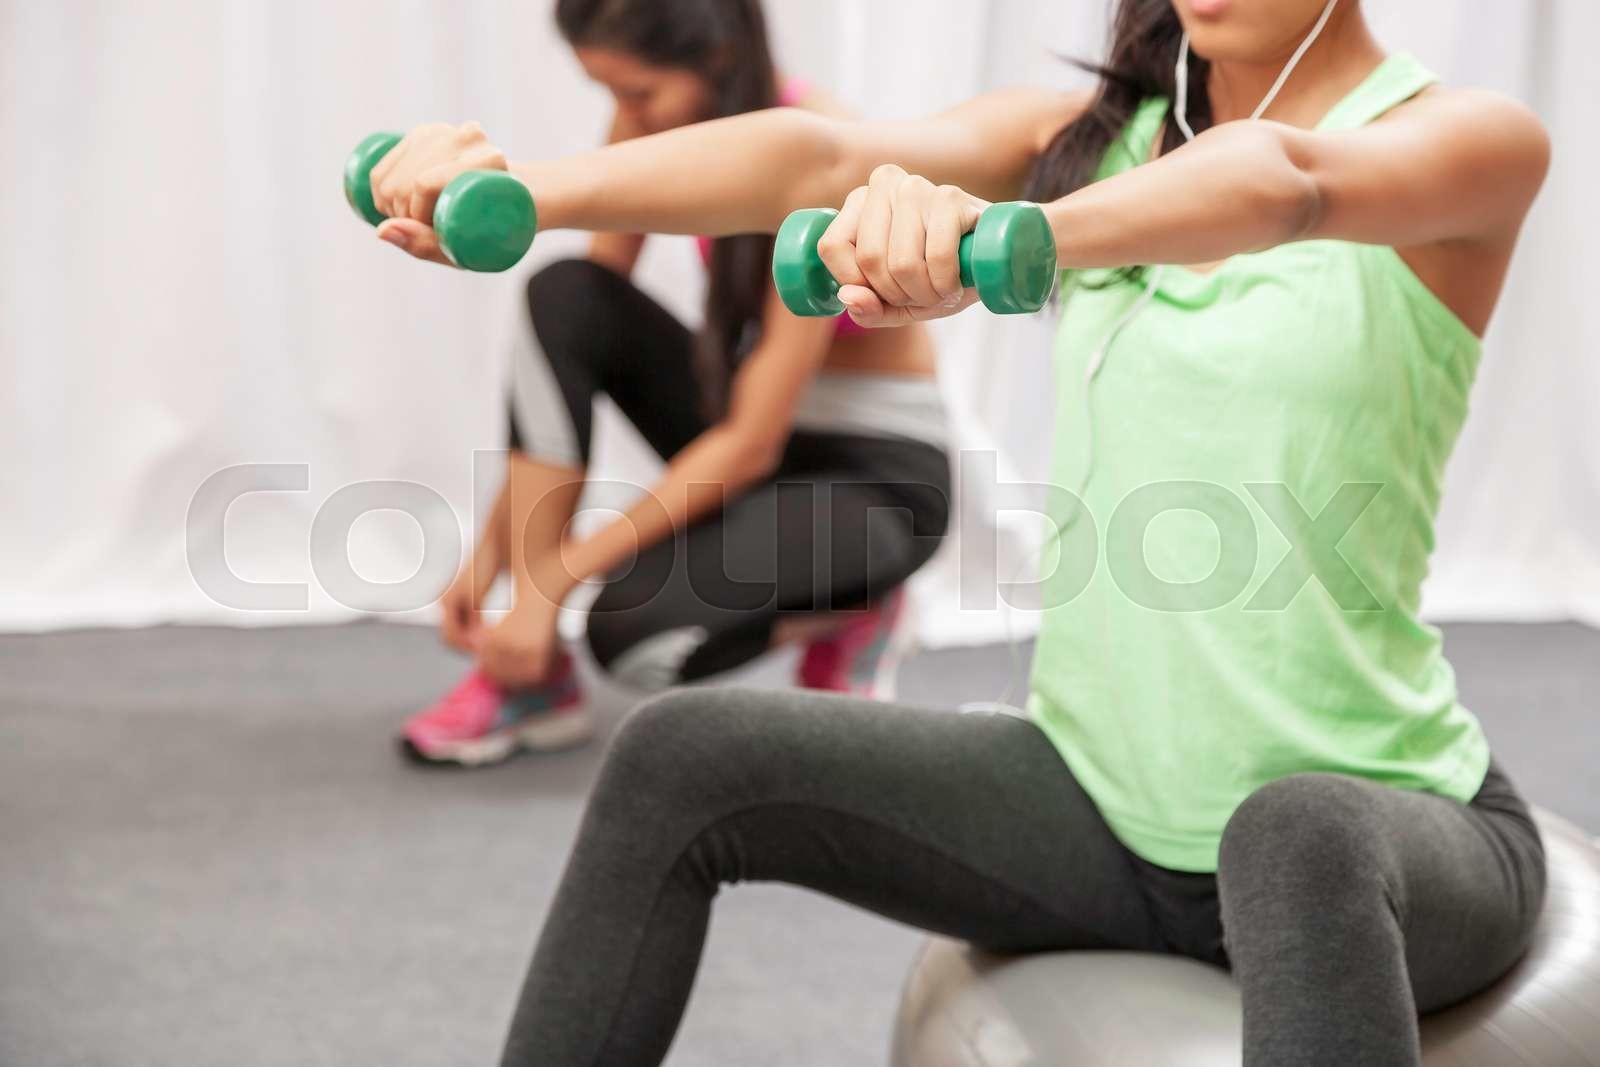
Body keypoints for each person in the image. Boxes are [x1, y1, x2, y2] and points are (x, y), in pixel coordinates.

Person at [370, 0, 1551, 1062]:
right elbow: (816, 157)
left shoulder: (1469, 145)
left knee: (1294, 829)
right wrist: (526, 190)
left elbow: (1285, 177)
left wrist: (1005, 240)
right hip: (1101, 815)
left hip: (1383, 832)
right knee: (677, 754)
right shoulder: (1093, 137)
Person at [390, 0, 951, 766]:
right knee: (564, 291)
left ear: (716, 58)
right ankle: (529, 673)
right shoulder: (647, 125)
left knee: (631, 636)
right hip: (761, 429)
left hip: (875, 477)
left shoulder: (819, 154)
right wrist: (496, 557)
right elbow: (576, 334)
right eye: (608, 92)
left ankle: (854, 608)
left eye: (640, 92)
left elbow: (748, 445)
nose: (628, 115)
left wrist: (554, 579)